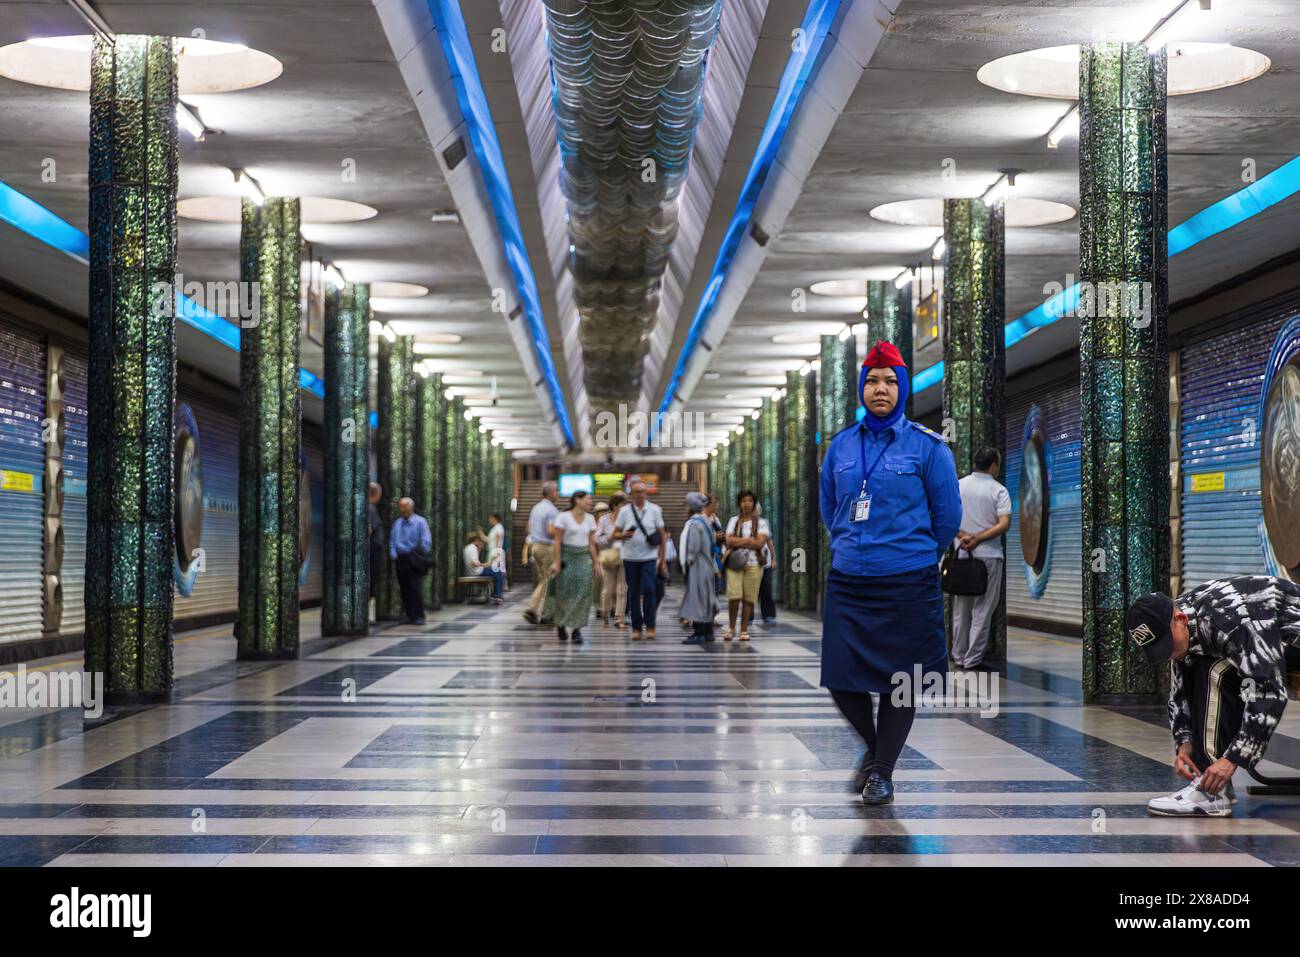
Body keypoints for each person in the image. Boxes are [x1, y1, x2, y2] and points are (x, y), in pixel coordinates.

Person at [818, 340, 962, 806]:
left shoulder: (927, 447)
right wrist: (850, 547)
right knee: (841, 677)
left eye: (891, 381)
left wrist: (916, 554)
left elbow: (947, 517)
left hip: (907, 580)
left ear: (903, 389)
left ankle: (882, 772)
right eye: (874, 380)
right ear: (862, 387)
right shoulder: (840, 447)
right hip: (849, 579)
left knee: (903, 679)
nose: (882, 389)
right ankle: (877, 749)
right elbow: (829, 508)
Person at [1127, 576, 1300, 817]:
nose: (1167, 654)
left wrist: (1233, 759)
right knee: (1191, 659)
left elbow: (1270, 690)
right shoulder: (1185, 619)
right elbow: (1178, 690)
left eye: (1168, 644)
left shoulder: (1231, 622)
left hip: (1293, 641)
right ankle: (1207, 780)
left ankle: (1212, 792)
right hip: (1279, 642)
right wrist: (1184, 743)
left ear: (1179, 619)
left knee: (1217, 669)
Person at [950, 446, 1012, 670]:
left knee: (961, 609)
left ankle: (957, 656)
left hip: (962, 556)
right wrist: (977, 538)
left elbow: (946, 516)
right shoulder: (999, 490)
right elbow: (1003, 523)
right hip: (989, 556)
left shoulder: (958, 485)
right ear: (994, 465)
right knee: (983, 609)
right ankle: (972, 659)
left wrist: (963, 536)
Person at [613, 479, 667, 640]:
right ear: (631, 494)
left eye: (643, 491)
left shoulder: (655, 509)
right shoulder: (624, 511)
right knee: (634, 593)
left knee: (650, 590)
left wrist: (662, 560)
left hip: (649, 557)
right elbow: (614, 534)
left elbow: (662, 535)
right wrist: (624, 535)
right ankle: (636, 628)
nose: (641, 495)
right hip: (630, 558)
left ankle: (650, 625)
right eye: (637, 492)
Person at [548, 490, 600, 644]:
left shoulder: (590, 519)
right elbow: (557, 542)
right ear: (577, 500)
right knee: (564, 593)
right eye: (587, 499)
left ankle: (577, 630)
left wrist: (596, 562)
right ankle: (561, 623)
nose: (590, 502)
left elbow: (592, 544)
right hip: (567, 557)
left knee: (583, 594)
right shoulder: (563, 517)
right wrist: (557, 562)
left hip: (584, 559)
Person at [724, 490, 769, 641]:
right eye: (744, 501)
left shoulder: (761, 523)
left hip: (754, 564)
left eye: (750, 500)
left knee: (749, 598)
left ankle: (744, 630)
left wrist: (740, 541)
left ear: (754, 503)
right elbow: (728, 541)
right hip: (735, 563)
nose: (747, 503)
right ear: (739, 504)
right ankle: (731, 628)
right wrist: (749, 541)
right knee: (734, 596)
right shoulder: (733, 521)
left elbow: (760, 542)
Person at [680, 491, 721, 645]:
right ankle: (708, 632)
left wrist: (689, 560)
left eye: (686, 504)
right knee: (706, 599)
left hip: (698, 565)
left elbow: (693, 547)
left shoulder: (695, 523)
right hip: (708, 564)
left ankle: (699, 634)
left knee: (697, 600)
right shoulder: (706, 521)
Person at [389, 496, 433, 625]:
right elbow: (392, 540)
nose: (403, 510)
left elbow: (426, 541)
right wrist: (393, 555)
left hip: (413, 558)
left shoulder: (420, 522)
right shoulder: (398, 523)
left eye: (405, 507)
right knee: (404, 588)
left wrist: (416, 552)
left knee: (415, 587)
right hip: (400, 559)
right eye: (401, 507)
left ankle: (419, 615)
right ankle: (409, 615)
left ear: (411, 507)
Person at [523, 482, 559, 624]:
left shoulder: (535, 508)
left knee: (544, 580)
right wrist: (562, 533)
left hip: (535, 546)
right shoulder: (551, 510)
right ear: (550, 493)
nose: (558, 493)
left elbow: (529, 527)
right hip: (546, 547)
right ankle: (533, 609)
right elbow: (551, 531)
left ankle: (544, 612)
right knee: (548, 580)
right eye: (556, 491)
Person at [595, 494, 627, 627]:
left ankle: (620, 618)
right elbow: (596, 538)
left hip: (625, 555)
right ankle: (606, 616)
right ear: (615, 506)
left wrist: (626, 536)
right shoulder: (604, 519)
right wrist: (611, 537)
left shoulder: (627, 519)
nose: (625, 507)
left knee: (622, 589)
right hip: (609, 556)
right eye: (622, 505)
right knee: (607, 589)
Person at [463, 532, 504, 604]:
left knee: (494, 570)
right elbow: (473, 563)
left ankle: (495, 595)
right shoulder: (473, 547)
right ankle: (497, 596)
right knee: (498, 571)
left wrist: (479, 551)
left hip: (471, 572)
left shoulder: (467, 548)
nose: (480, 542)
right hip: (478, 572)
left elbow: (472, 561)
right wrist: (483, 564)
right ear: (476, 540)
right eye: (479, 540)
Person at [755, 502, 777, 626]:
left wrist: (773, 559)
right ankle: (749, 616)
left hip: (766, 562)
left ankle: (769, 614)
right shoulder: (742, 522)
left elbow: (769, 542)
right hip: (751, 562)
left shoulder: (764, 523)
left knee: (766, 588)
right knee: (751, 591)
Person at [367, 482, 385, 613]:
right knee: (372, 580)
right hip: (372, 551)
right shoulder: (370, 508)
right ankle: (368, 612)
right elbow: (369, 529)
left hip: (373, 549)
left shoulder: (370, 508)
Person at [485, 512, 507, 592]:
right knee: (496, 571)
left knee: (497, 571)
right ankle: (497, 593)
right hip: (493, 553)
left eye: (490, 518)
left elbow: (498, 539)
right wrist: (480, 532)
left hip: (496, 553)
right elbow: (487, 539)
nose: (489, 520)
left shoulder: (499, 527)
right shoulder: (493, 529)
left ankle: (499, 593)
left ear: (495, 518)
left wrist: (497, 552)